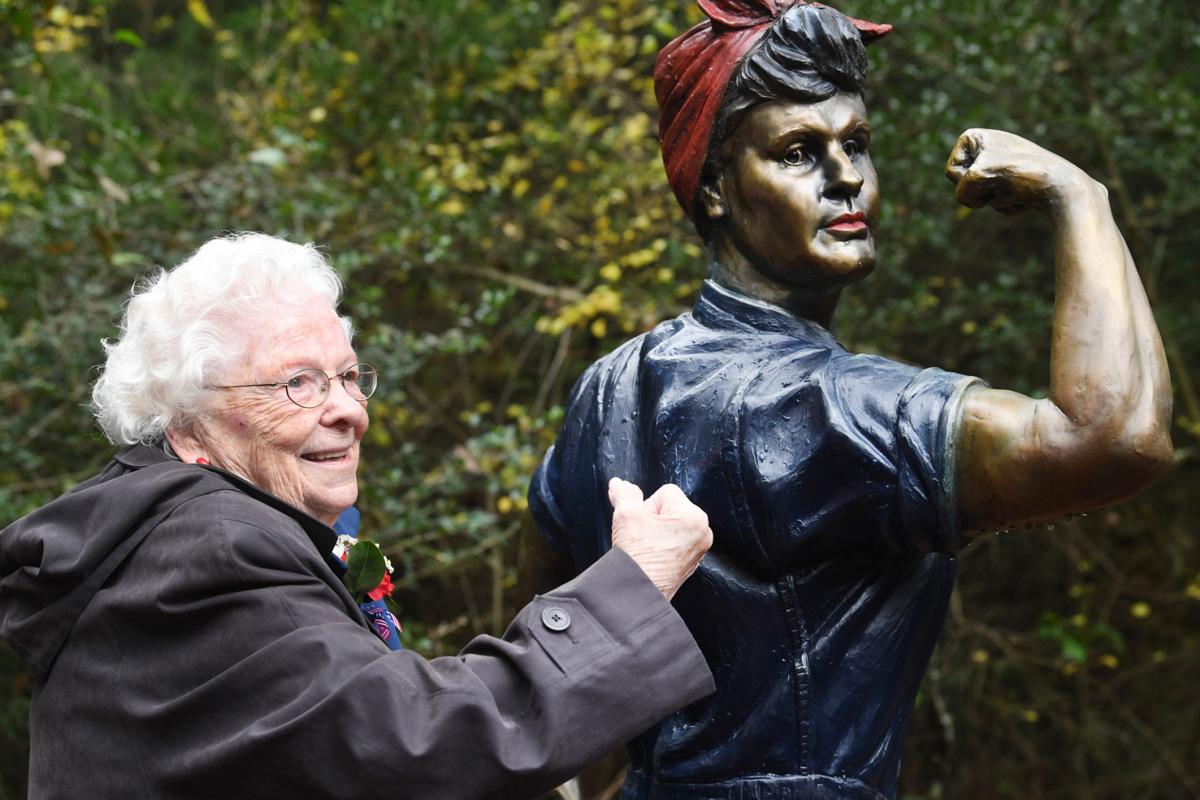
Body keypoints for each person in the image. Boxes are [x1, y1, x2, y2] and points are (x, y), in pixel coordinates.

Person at [528, 2, 1173, 798]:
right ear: (717, 189)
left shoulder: (611, 383)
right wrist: (1080, 198)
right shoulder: (819, 406)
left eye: (856, 143)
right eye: (799, 151)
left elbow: (545, 651)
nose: (845, 176)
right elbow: (1115, 436)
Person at [0, 233, 716, 799]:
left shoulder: (159, 534)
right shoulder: (206, 549)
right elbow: (417, 745)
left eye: (346, 376)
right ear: (187, 429)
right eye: (296, 384)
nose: (346, 410)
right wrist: (635, 583)